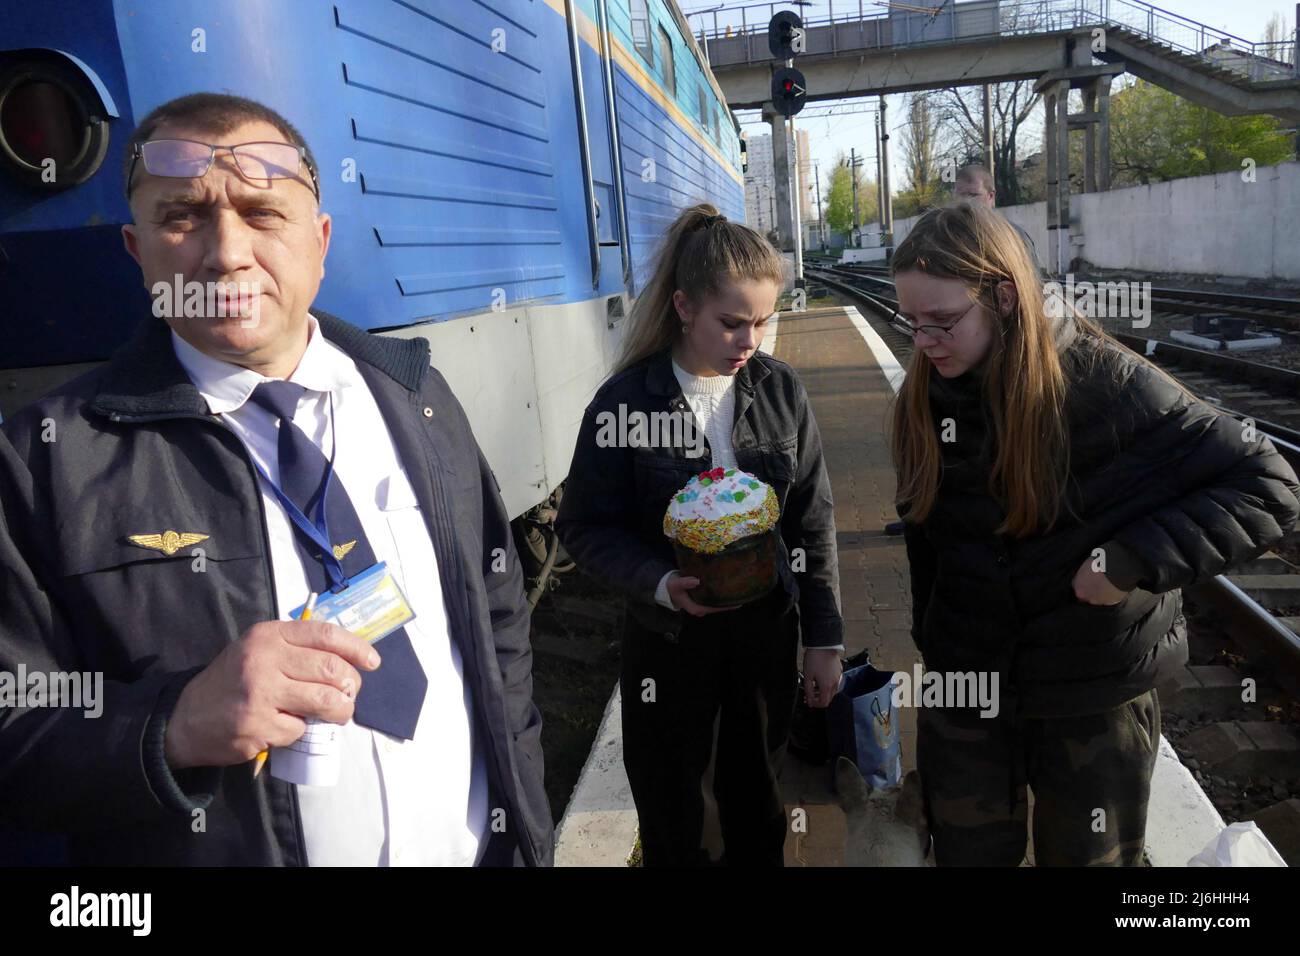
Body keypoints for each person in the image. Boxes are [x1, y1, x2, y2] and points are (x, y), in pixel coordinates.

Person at [0, 93, 552, 866]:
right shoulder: (43, 461)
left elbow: (496, 624)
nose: (227, 252)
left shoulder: (417, 399)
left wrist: (526, 817)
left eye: (263, 215)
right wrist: (175, 724)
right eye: (183, 216)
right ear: (136, 250)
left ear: (319, 241)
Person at [889, 202, 1300, 866]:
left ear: (1004, 297)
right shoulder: (925, 397)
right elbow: (925, 539)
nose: (925, 341)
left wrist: (1133, 559)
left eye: (943, 321)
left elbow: (1269, 486)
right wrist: (937, 651)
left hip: (1091, 694)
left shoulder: (1111, 386)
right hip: (967, 686)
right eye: (913, 323)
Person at [555, 204, 844, 866]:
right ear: (684, 307)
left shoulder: (779, 390)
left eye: (763, 323)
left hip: (765, 639)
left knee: (759, 809)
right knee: (677, 819)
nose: (750, 341)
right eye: (732, 323)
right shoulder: (625, 404)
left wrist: (824, 640)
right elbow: (584, 524)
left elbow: (811, 516)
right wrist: (657, 582)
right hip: (668, 647)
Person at [953, 163, 1043, 274]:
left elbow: (1030, 282)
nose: (965, 201)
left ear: (991, 196)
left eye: (973, 195)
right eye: (960, 195)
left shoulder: (1013, 237)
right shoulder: (944, 235)